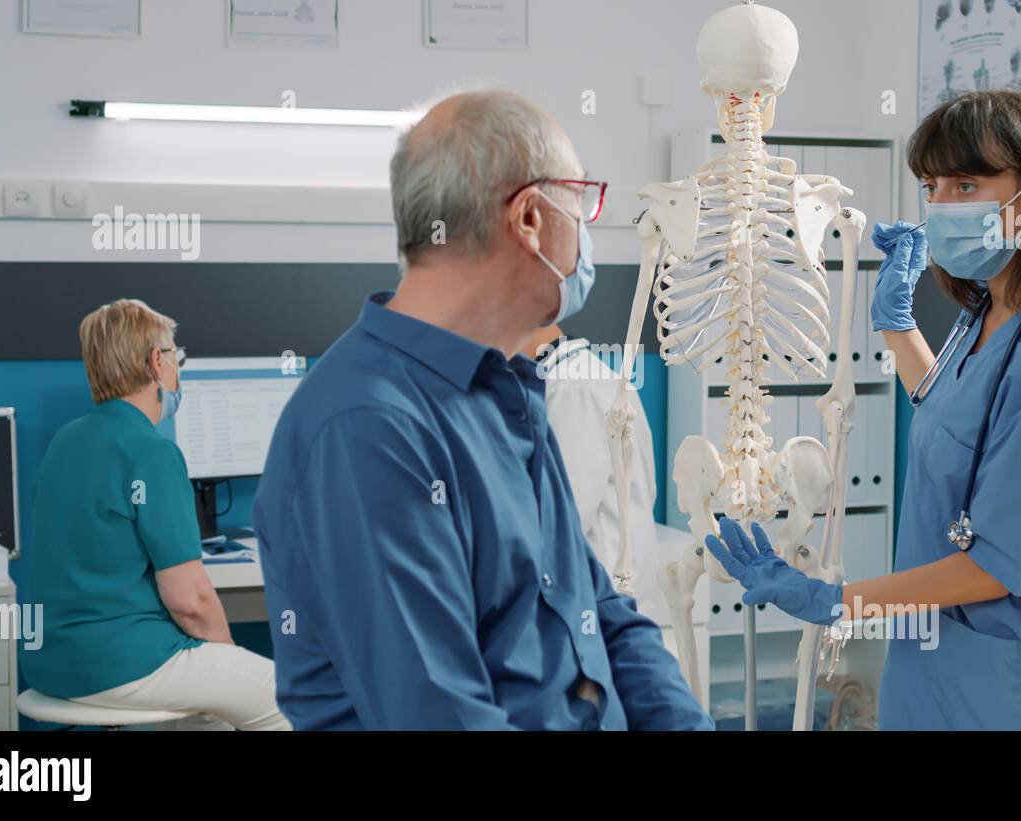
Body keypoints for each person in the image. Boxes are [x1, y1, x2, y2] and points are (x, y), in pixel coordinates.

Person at [253, 90, 712, 730]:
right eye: (581, 199)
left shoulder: (508, 392)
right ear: (528, 218)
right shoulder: (367, 429)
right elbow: (441, 715)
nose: (589, 226)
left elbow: (601, 614)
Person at [705, 91, 1021, 730]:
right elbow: (956, 416)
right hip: (942, 669)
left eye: (966, 184)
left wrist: (836, 602)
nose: (941, 206)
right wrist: (898, 324)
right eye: (932, 185)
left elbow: (999, 565)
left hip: (1018, 691)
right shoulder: (992, 309)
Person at [23, 299, 289, 730]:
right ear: (155, 362)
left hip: (49, 663)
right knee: (287, 701)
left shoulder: (64, 442)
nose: (177, 369)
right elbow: (191, 603)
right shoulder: (152, 451)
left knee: (213, 712)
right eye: (175, 356)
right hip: (118, 665)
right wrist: (228, 658)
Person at [520, 325, 665, 620]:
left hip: (601, 606)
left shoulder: (573, 388)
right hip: (611, 603)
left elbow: (562, 516)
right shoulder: (580, 376)